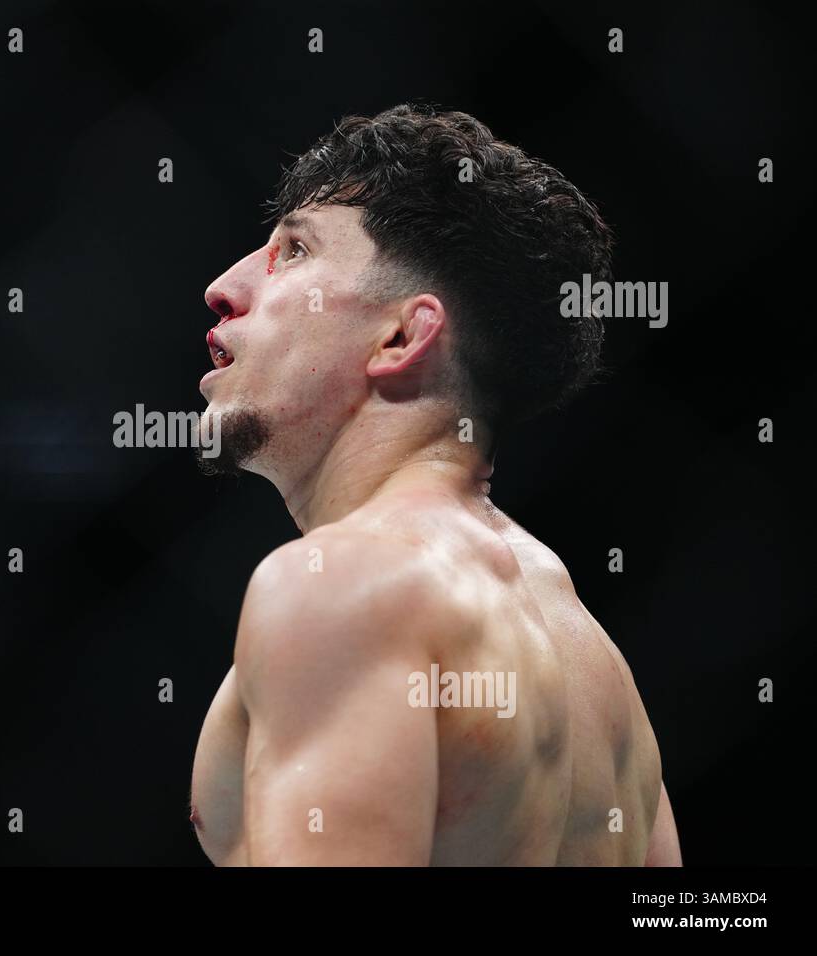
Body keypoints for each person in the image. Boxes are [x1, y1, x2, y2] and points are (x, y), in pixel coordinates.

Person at [189, 104, 681, 866]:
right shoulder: (598, 669)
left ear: (401, 337)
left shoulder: (341, 589)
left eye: (293, 251)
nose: (224, 286)